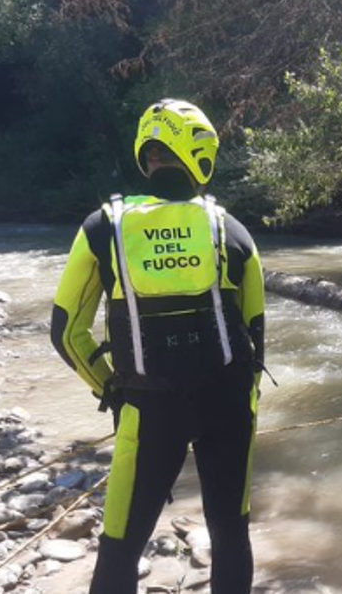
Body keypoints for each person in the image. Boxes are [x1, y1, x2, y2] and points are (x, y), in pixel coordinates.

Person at [50, 99, 265, 594]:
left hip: (147, 409)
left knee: (122, 543)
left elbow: (66, 331)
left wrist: (112, 389)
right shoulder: (230, 229)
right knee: (231, 534)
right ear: (200, 155)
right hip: (228, 406)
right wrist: (242, 394)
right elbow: (256, 334)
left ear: (147, 156)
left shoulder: (103, 228)